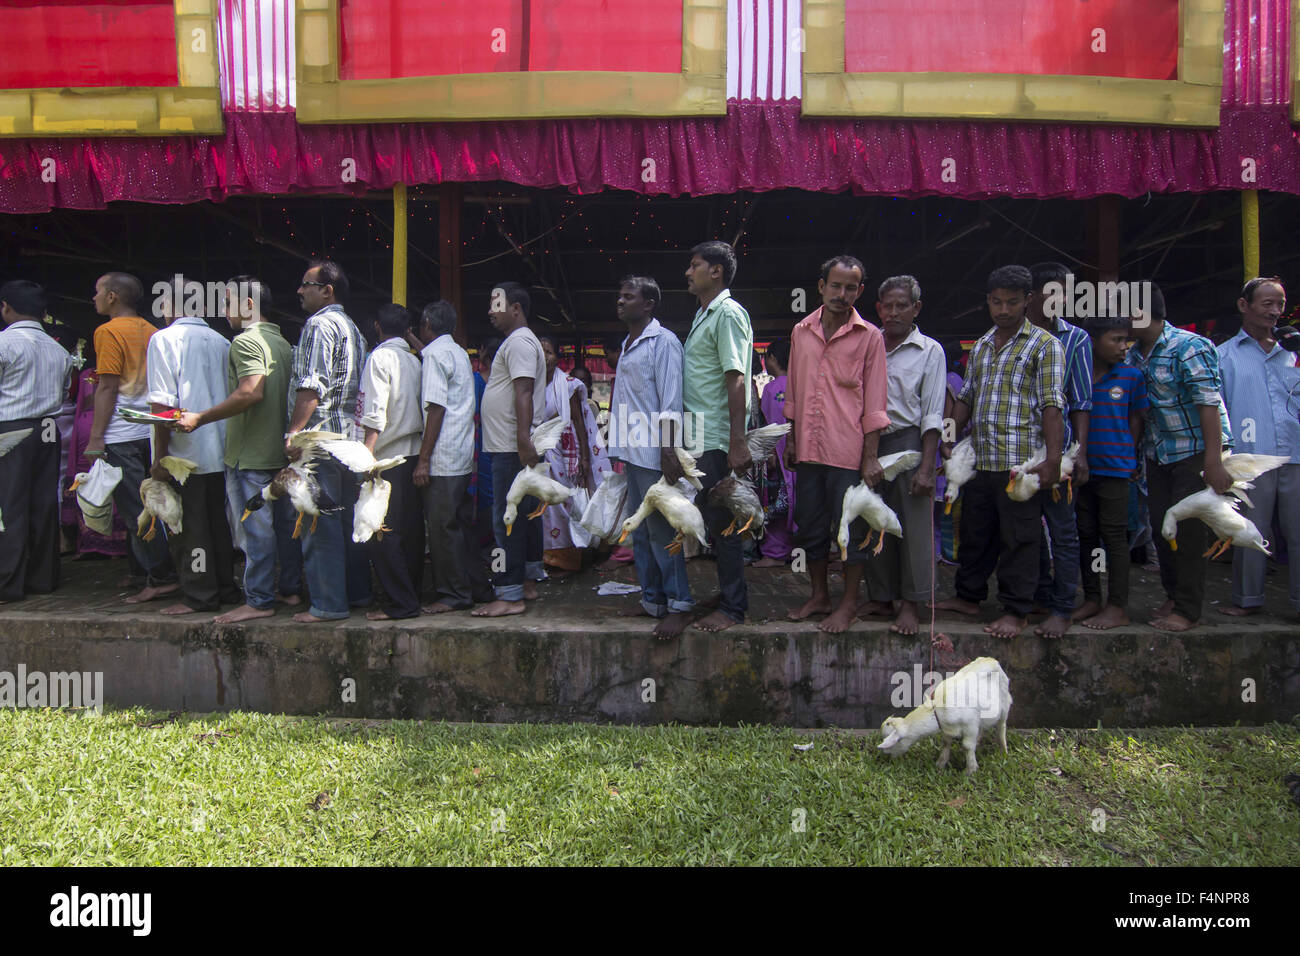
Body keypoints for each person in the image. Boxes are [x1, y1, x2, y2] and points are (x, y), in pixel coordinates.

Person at [933, 265, 1066, 640]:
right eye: (996, 302)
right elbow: (966, 398)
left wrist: (1053, 460)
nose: (1003, 309)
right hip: (982, 459)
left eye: (1011, 302)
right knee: (976, 532)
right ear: (988, 302)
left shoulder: (1044, 345)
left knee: (1020, 537)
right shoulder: (982, 345)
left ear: (1028, 301)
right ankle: (968, 596)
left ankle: (1017, 609)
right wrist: (950, 437)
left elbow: (1053, 405)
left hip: (1021, 464)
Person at [175, 277, 302, 623]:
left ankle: (259, 600)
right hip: (279, 452)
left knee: (254, 533)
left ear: (248, 306)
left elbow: (251, 392)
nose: (225, 310)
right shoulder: (282, 342)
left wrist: (201, 416)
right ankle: (289, 590)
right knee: (285, 528)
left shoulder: (245, 342)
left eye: (229, 302)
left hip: (249, 455)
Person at [784, 256, 890, 634]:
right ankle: (818, 595)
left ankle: (848, 604)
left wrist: (871, 458)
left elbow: (876, 405)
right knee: (810, 526)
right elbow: (793, 393)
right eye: (835, 285)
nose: (841, 294)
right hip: (809, 451)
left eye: (850, 288)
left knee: (851, 530)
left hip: (848, 453)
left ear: (859, 292)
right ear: (821, 286)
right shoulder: (801, 331)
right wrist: (792, 440)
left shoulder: (871, 337)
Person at [1127, 283, 1233, 632]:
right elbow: (1139, 412)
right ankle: (1173, 595)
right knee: (1162, 528)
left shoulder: (1189, 347)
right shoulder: (1134, 354)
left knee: (1187, 534)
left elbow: (1209, 404)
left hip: (1194, 453)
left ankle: (1187, 610)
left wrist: (1214, 461)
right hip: (1159, 454)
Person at [608, 275, 693, 639]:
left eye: (629, 297)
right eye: (620, 295)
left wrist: (668, 452)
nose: (621, 301)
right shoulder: (628, 344)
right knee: (639, 532)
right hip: (632, 451)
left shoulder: (664, 343)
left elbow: (671, 399)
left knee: (661, 531)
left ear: (648, 305)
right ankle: (652, 600)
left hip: (654, 454)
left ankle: (679, 604)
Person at [145, 285, 238, 616]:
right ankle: (225, 587)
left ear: (169, 306)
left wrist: (159, 457)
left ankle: (199, 594)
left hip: (185, 452)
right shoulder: (222, 341)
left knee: (190, 528)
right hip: (221, 447)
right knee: (217, 523)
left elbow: (162, 404)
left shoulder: (164, 339)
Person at [86, 272, 177, 602]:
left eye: (97, 291)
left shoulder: (108, 331)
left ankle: (161, 576)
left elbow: (108, 386)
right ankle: (141, 571)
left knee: (135, 509)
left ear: (112, 297)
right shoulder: (152, 331)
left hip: (121, 432)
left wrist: (96, 437)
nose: (92, 298)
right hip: (150, 431)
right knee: (147, 502)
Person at [861, 275, 944, 636]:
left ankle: (912, 602)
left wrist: (928, 466)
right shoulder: (868, 342)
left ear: (916, 308)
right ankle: (882, 597)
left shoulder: (929, 351)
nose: (893, 312)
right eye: (887, 306)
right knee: (874, 521)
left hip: (910, 442)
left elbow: (932, 414)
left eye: (901, 305)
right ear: (878, 309)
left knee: (911, 527)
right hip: (869, 445)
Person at [286, 260, 368, 623]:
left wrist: (295, 433)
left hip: (319, 439)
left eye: (306, 284)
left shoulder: (319, 324)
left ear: (327, 290)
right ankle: (357, 593)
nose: (300, 291)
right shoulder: (353, 329)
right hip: (347, 441)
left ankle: (329, 604)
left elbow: (312, 385)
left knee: (319, 523)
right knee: (345, 518)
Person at [1217, 277, 1300, 618]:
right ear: (1243, 305)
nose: (1275, 311)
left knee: (1298, 534)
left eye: (1279, 304)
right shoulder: (1224, 356)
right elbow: (1217, 409)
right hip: (1251, 459)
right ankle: (1247, 599)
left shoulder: (1294, 354)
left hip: (1296, 455)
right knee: (1251, 532)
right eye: (1267, 303)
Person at [683, 240, 755, 632]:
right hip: (700, 436)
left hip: (716, 437)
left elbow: (736, 377)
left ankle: (733, 608)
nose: (688, 272)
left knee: (725, 523)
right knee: (715, 521)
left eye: (695, 265)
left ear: (716, 271)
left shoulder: (727, 313)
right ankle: (728, 594)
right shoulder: (703, 315)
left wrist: (737, 441)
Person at [473, 281, 547, 617]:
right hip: (515, 444)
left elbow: (524, 392)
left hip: (509, 446)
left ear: (515, 308)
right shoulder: (521, 342)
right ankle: (527, 581)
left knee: (505, 518)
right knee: (526, 515)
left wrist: (521, 440)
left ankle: (508, 593)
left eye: (496, 304)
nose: (491, 311)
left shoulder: (517, 342)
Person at [1027, 262, 1092, 638]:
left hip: (1061, 451)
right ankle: (1039, 593)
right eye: (1053, 293)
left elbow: (1081, 400)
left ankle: (1063, 607)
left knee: (1063, 529)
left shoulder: (1077, 339)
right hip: (1020, 450)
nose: (1060, 301)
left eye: (1065, 294)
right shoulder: (1016, 335)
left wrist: (1079, 452)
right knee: (1024, 529)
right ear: (1033, 296)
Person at [0, 280, 72, 604]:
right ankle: (42, 578)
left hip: (11, 428)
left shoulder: (4, 343)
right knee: (44, 502)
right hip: (47, 428)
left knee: (8, 505)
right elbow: (63, 392)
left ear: (6, 307)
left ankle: (7, 583)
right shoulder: (59, 350)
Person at [1073, 313, 1147, 629]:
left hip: (1116, 469)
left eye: (1125, 340)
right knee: (1086, 533)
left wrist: (1128, 454)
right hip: (1081, 470)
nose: (1123, 346)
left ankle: (1117, 605)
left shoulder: (1131, 376)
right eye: (1115, 340)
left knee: (1114, 536)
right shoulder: (1079, 376)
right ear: (1093, 341)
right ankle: (1092, 598)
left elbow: (1137, 418)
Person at [359, 304, 425, 621]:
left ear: (377, 326)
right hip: (415, 454)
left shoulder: (379, 359)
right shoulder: (415, 361)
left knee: (381, 530)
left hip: (386, 457)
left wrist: (366, 458)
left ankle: (401, 602)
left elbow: (374, 413)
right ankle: (410, 593)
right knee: (410, 530)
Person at [412, 300, 479, 613]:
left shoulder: (436, 356)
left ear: (427, 321)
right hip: (461, 453)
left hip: (442, 458)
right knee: (459, 526)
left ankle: (453, 594)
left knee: (441, 529)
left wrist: (423, 459)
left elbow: (435, 407)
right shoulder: (457, 352)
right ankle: (472, 586)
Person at [538, 335, 610, 572]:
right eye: (540, 351)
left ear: (557, 357)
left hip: (563, 454)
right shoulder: (530, 383)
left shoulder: (567, 385)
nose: (544, 356)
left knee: (563, 505)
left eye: (548, 351)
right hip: (539, 455)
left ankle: (567, 559)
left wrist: (585, 458)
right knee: (542, 506)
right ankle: (545, 557)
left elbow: (579, 422)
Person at [754, 337, 794, 567]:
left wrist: (768, 453)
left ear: (772, 358)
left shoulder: (771, 389)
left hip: (777, 456)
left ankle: (775, 552)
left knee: (775, 501)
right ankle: (800, 550)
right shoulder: (800, 384)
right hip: (800, 455)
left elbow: (767, 425)